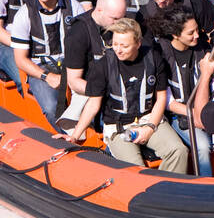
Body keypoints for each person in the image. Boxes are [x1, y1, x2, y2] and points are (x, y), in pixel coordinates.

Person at [69, 18, 189, 172]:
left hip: (149, 118)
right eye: (115, 44)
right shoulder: (103, 65)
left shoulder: (154, 58)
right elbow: (93, 105)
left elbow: (161, 98)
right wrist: (74, 136)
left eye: (124, 46)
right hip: (118, 126)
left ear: (138, 44)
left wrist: (150, 127)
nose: (118, 50)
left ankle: (167, 184)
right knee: (135, 168)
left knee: (178, 151)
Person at [155, 5, 214, 176]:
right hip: (178, 115)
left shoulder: (203, 50)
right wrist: (195, 114)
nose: (197, 35)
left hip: (206, 110)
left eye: (197, 30)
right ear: (175, 34)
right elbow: (168, 101)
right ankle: (205, 186)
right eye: (191, 33)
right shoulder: (161, 55)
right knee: (202, 146)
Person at [55, 0, 128, 130]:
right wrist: (105, 92)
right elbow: (74, 81)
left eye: (122, 18)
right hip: (93, 92)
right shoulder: (78, 34)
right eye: (115, 19)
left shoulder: (119, 24)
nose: (120, 24)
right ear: (99, 10)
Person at [10, 0, 72, 126]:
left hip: (71, 64)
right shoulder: (24, 14)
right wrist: (46, 77)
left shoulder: (73, 6)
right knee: (52, 107)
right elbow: (20, 60)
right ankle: (67, 135)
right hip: (40, 69)